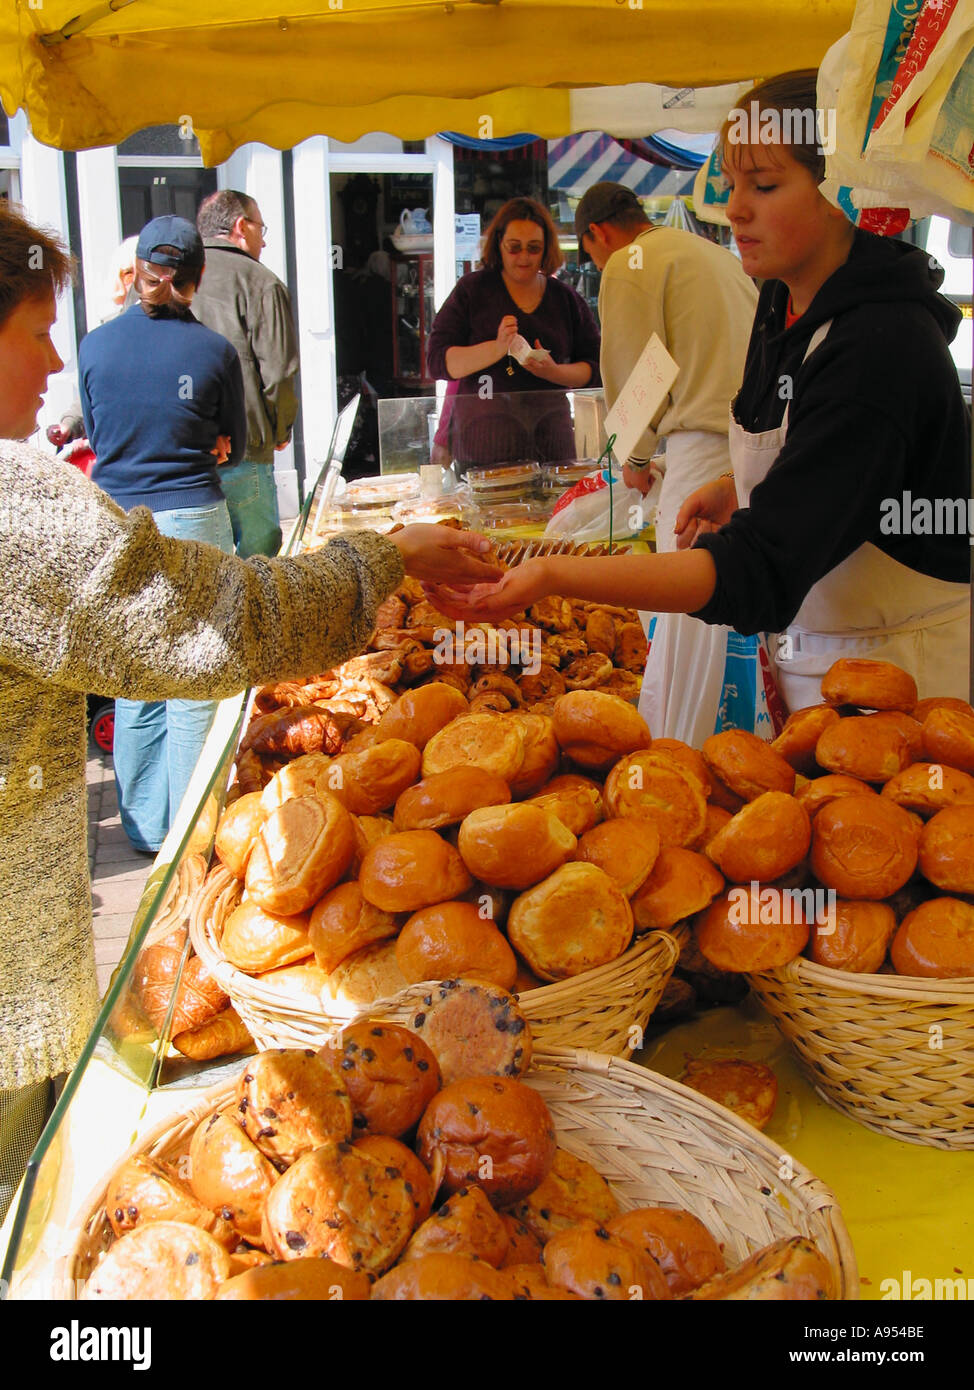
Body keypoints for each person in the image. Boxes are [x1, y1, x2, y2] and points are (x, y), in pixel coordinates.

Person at [0, 202, 499, 1219]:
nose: (58, 361)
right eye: (36, 329)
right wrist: (385, 557)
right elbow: (217, 619)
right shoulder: (13, 503)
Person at [427, 70, 971, 710]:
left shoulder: (882, 347)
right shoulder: (782, 301)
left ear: (842, 191)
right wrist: (738, 487)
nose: (736, 209)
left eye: (764, 185)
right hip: (818, 658)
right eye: (734, 184)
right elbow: (825, 462)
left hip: (907, 685)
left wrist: (554, 570)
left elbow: (758, 568)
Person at [79, 215, 246, 856]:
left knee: (135, 675)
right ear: (198, 279)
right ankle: (190, 831)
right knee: (194, 677)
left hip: (117, 523)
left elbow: (98, 436)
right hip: (192, 517)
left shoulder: (94, 346)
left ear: (140, 273)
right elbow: (230, 441)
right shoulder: (213, 352)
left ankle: (146, 827)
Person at [574, 181, 759, 743]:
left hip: (702, 448)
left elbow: (634, 364)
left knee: (690, 606)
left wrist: (632, 454)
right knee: (737, 601)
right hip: (751, 444)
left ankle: (679, 749)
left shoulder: (628, 262)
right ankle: (739, 737)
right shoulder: (706, 251)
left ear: (598, 234)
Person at [426, 196, 601, 469]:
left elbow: (595, 368)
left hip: (552, 449)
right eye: (514, 248)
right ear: (499, 245)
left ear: (546, 250)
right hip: (483, 450)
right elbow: (438, 362)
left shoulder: (564, 298)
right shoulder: (472, 290)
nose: (524, 257)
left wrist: (553, 372)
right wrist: (496, 348)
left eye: (534, 249)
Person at [192, 189, 300, 557]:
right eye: (260, 227)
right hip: (246, 444)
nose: (264, 239)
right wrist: (281, 428)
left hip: (178, 450)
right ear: (241, 226)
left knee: (201, 566)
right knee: (259, 559)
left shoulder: (165, 281)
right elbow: (279, 372)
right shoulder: (261, 281)